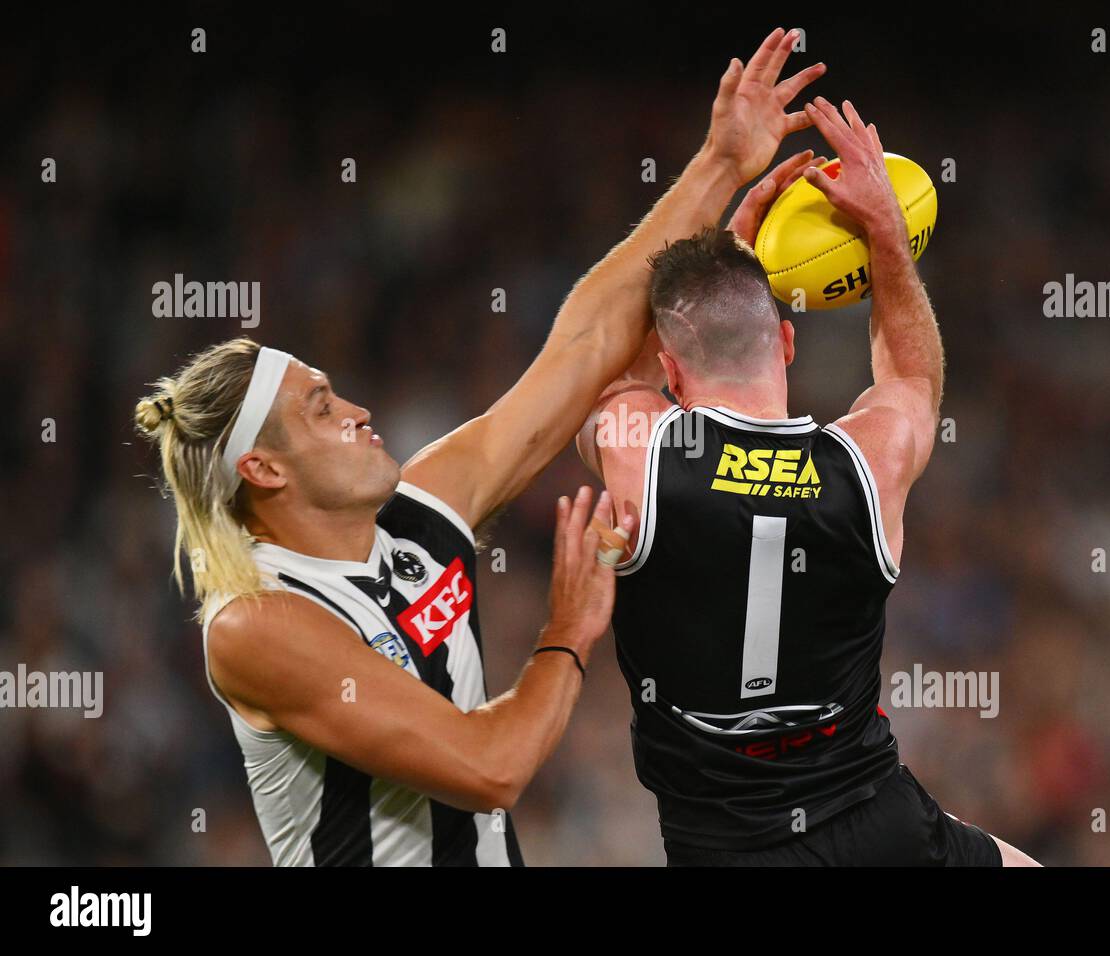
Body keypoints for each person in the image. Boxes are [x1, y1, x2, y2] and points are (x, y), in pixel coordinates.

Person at [134, 27, 825, 865]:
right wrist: (566, 632)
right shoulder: (257, 625)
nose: (355, 410)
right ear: (264, 469)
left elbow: (581, 346)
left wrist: (721, 163)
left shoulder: (419, 513)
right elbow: (487, 767)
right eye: (320, 409)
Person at [578, 96, 1040, 865]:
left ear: (669, 371)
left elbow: (602, 364)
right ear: (787, 342)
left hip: (719, 845)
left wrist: (718, 249)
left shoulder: (642, 455)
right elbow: (913, 378)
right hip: (875, 825)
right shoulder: (866, 466)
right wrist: (886, 238)